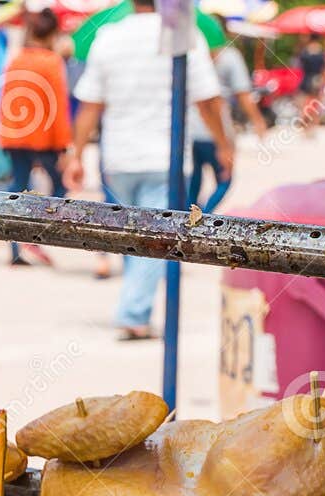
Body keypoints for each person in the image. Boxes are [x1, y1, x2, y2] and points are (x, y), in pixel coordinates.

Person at [64, 0, 234, 341]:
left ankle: (135, 303)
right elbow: (208, 99)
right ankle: (133, 313)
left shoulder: (108, 37)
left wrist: (76, 154)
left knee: (133, 237)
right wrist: (224, 145)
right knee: (155, 240)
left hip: (118, 159)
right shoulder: (185, 35)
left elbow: (90, 105)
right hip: (164, 158)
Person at [0, 7, 72, 266]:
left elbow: (6, 100)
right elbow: (59, 108)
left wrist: (5, 136)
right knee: (60, 186)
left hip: (15, 136)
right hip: (44, 139)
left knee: (18, 188)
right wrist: (64, 147)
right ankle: (37, 234)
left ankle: (17, 248)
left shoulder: (17, 59)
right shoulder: (52, 61)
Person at [189, 38, 265, 212]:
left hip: (189, 130)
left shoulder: (189, 53)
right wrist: (257, 120)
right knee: (225, 178)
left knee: (192, 183)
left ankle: (190, 217)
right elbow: (242, 93)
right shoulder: (230, 56)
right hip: (216, 129)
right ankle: (204, 217)